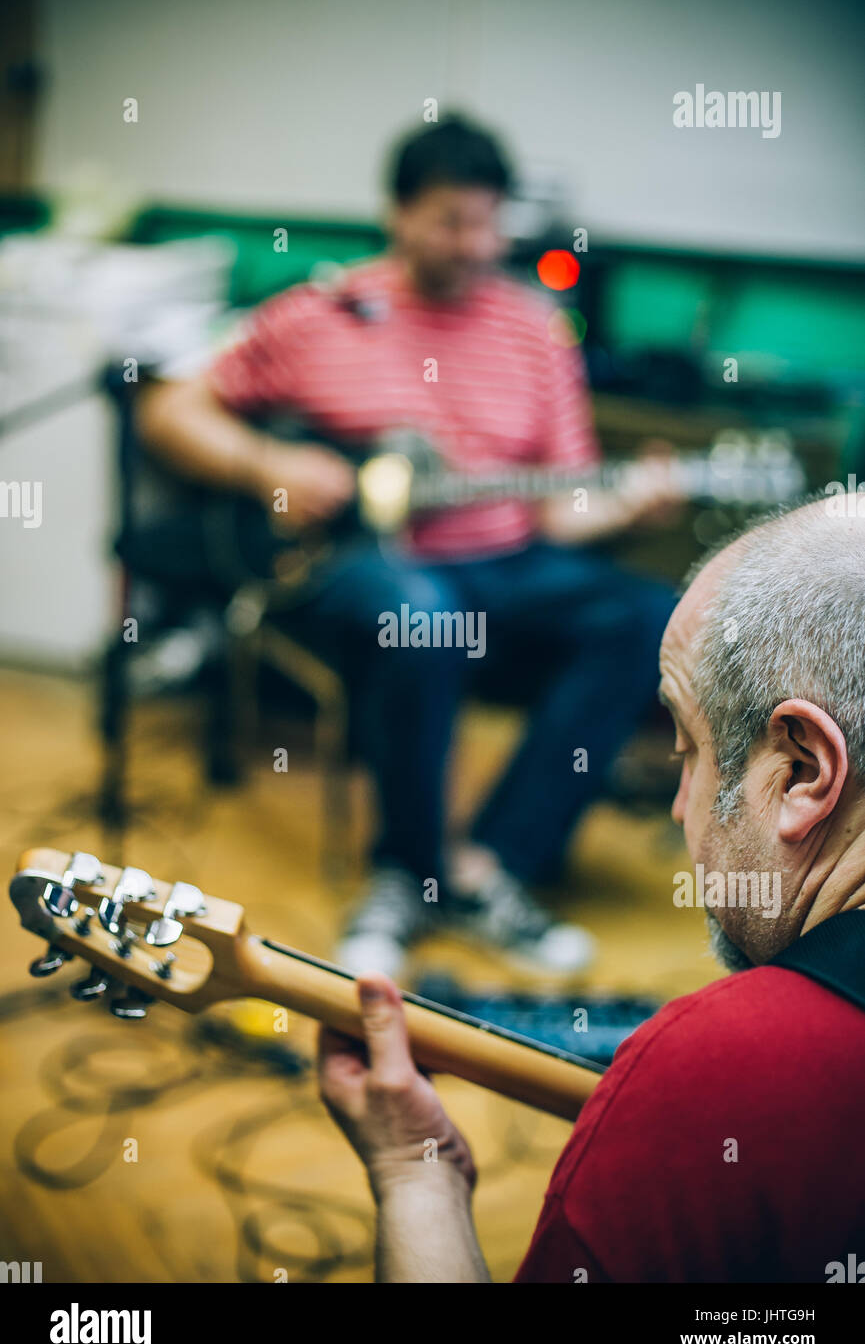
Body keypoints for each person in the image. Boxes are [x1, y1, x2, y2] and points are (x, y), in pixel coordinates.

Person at [136, 114, 678, 980]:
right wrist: (269, 461)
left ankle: (487, 866)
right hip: (361, 567)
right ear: (396, 214)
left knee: (648, 615)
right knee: (420, 612)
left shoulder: (537, 331)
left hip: (506, 561)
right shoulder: (320, 314)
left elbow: (563, 508)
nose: (476, 243)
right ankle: (405, 872)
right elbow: (168, 411)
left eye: (489, 222)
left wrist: (630, 503)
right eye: (450, 221)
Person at [317, 498, 865, 1282]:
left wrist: (412, 1171)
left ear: (803, 771)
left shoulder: (710, 1074)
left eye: (687, 750)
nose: (679, 806)